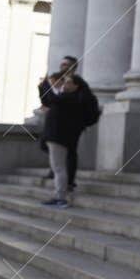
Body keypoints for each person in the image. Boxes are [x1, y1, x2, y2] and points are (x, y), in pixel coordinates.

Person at [39, 72, 98, 207]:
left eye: (68, 82)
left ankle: (61, 197)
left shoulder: (71, 99)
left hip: (58, 137)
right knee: (58, 167)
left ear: (76, 86)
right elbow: (48, 100)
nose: (64, 84)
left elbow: (52, 99)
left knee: (58, 168)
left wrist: (47, 85)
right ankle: (59, 195)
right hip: (58, 137)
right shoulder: (70, 97)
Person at [38, 56, 82, 195]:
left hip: (69, 126)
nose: (62, 66)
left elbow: (63, 101)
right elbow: (51, 100)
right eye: (61, 64)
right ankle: (59, 178)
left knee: (68, 154)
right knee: (51, 152)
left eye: (65, 64)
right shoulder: (59, 80)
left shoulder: (75, 83)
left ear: (73, 66)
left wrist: (47, 87)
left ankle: (67, 184)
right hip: (55, 124)